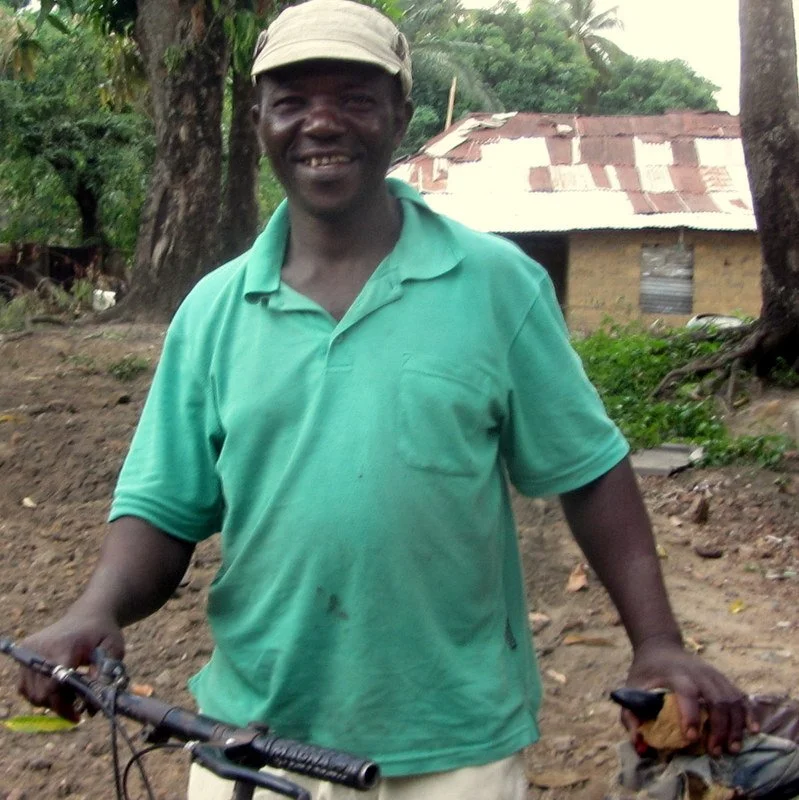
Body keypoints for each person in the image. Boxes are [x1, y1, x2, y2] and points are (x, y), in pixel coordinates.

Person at [17, 1, 754, 798]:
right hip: (249, 740)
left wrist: (657, 640)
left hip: (451, 746)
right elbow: (164, 510)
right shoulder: (214, 311)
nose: (322, 123)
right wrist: (97, 609)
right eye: (293, 101)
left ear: (400, 113)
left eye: (355, 98)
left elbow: (588, 470)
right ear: (260, 119)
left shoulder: (495, 286)